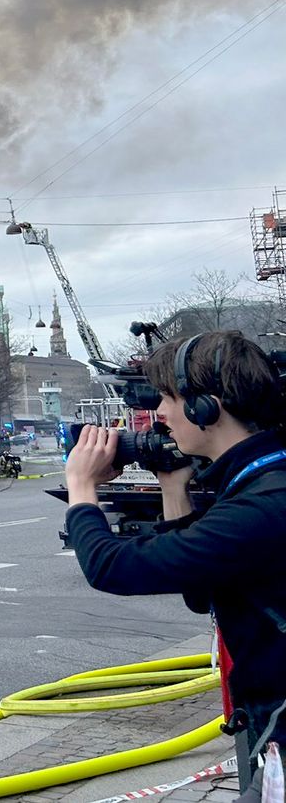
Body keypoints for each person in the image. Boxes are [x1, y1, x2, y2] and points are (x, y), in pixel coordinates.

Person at [64, 331, 286, 802]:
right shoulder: (264, 480)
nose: (159, 414)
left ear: (208, 407)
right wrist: (173, 488)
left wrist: (81, 489)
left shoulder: (262, 506)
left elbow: (111, 568)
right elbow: (200, 591)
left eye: (168, 397)